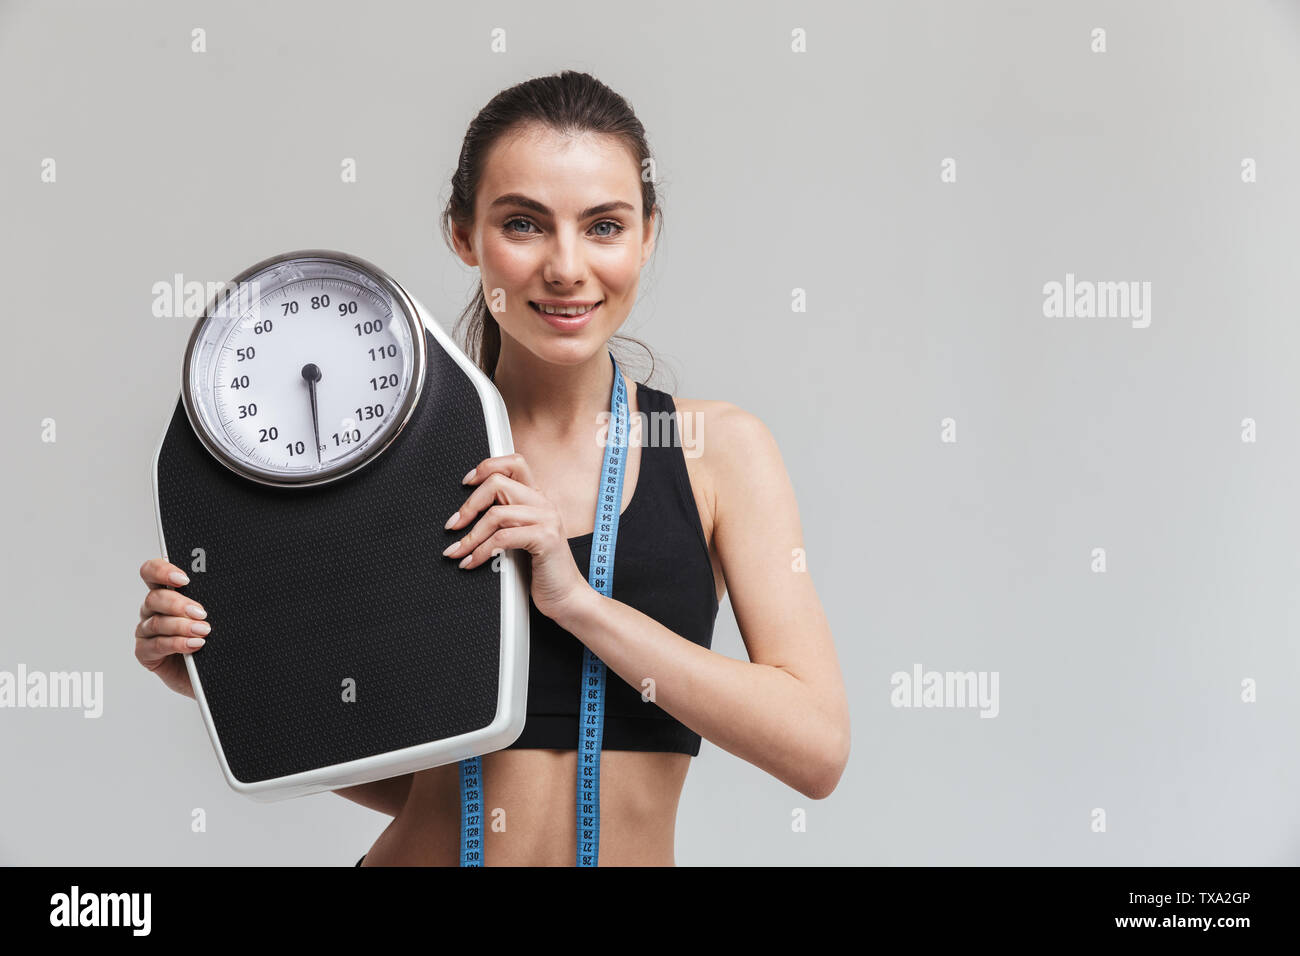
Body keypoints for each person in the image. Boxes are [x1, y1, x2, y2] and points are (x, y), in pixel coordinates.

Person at [135, 70, 850, 866]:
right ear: (463, 233)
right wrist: (219, 678)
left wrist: (578, 603)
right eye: (524, 224)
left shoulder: (717, 451)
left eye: (604, 226)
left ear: (648, 234)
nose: (567, 267)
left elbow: (815, 750)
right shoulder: (390, 458)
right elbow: (415, 780)